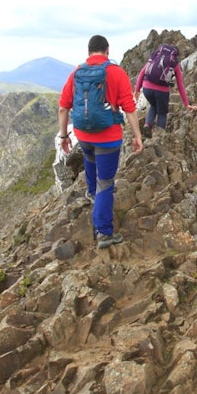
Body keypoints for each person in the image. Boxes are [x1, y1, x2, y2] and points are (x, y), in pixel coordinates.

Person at [58, 35, 143, 248]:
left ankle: (91, 193)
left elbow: (63, 108)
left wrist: (64, 136)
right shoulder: (116, 72)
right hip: (108, 138)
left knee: (89, 159)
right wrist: (137, 136)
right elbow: (129, 108)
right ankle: (104, 232)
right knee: (106, 182)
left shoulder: (77, 73)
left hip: (83, 135)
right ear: (107, 50)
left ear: (89, 52)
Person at [134, 44, 197, 138]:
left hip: (147, 88)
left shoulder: (155, 56)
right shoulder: (174, 63)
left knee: (153, 105)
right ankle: (159, 136)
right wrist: (186, 104)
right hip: (161, 91)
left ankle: (147, 125)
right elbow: (180, 85)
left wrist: (137, 90)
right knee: (162, 113)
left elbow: (142, 73)